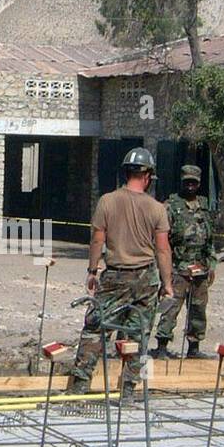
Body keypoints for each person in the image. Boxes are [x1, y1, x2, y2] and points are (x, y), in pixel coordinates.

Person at [68, 147, 174, 404]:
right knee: (138, 335)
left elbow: (97, 240)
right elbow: (162, 249)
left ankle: (78, 387)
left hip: (114, 276)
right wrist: (167, 284)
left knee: (95, 330)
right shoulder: (157, 208)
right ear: (147, 176)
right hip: (145, 279)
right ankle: (127, 392)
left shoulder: (107, 201)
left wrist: (92, 271)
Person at [152, 164, 216, 359]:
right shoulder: (171, 205)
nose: (190, 186)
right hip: (178, 267)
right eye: (187, 182)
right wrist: (166, 272)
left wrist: (211, 265)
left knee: (198, 309)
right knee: (171, 307)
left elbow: (211, 239)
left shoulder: (205, 205)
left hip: (200, 268)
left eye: (194, 182)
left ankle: (194, 348)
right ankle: (162, 346)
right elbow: (162, 240)